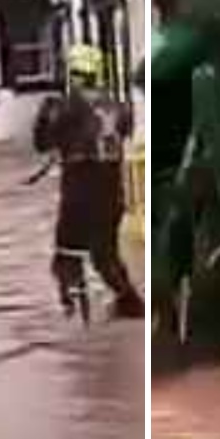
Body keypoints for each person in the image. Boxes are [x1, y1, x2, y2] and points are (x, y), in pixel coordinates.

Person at [34, 44, 145, 320]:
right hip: (112, 191)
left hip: (79, 191)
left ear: (73, 73)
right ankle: (130, 303)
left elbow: (42, 143)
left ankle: (72, 310)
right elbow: (125, 134)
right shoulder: (117, 105)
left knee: (65, 252)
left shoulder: (65, 106)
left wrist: (44, 118)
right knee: (105, 255)